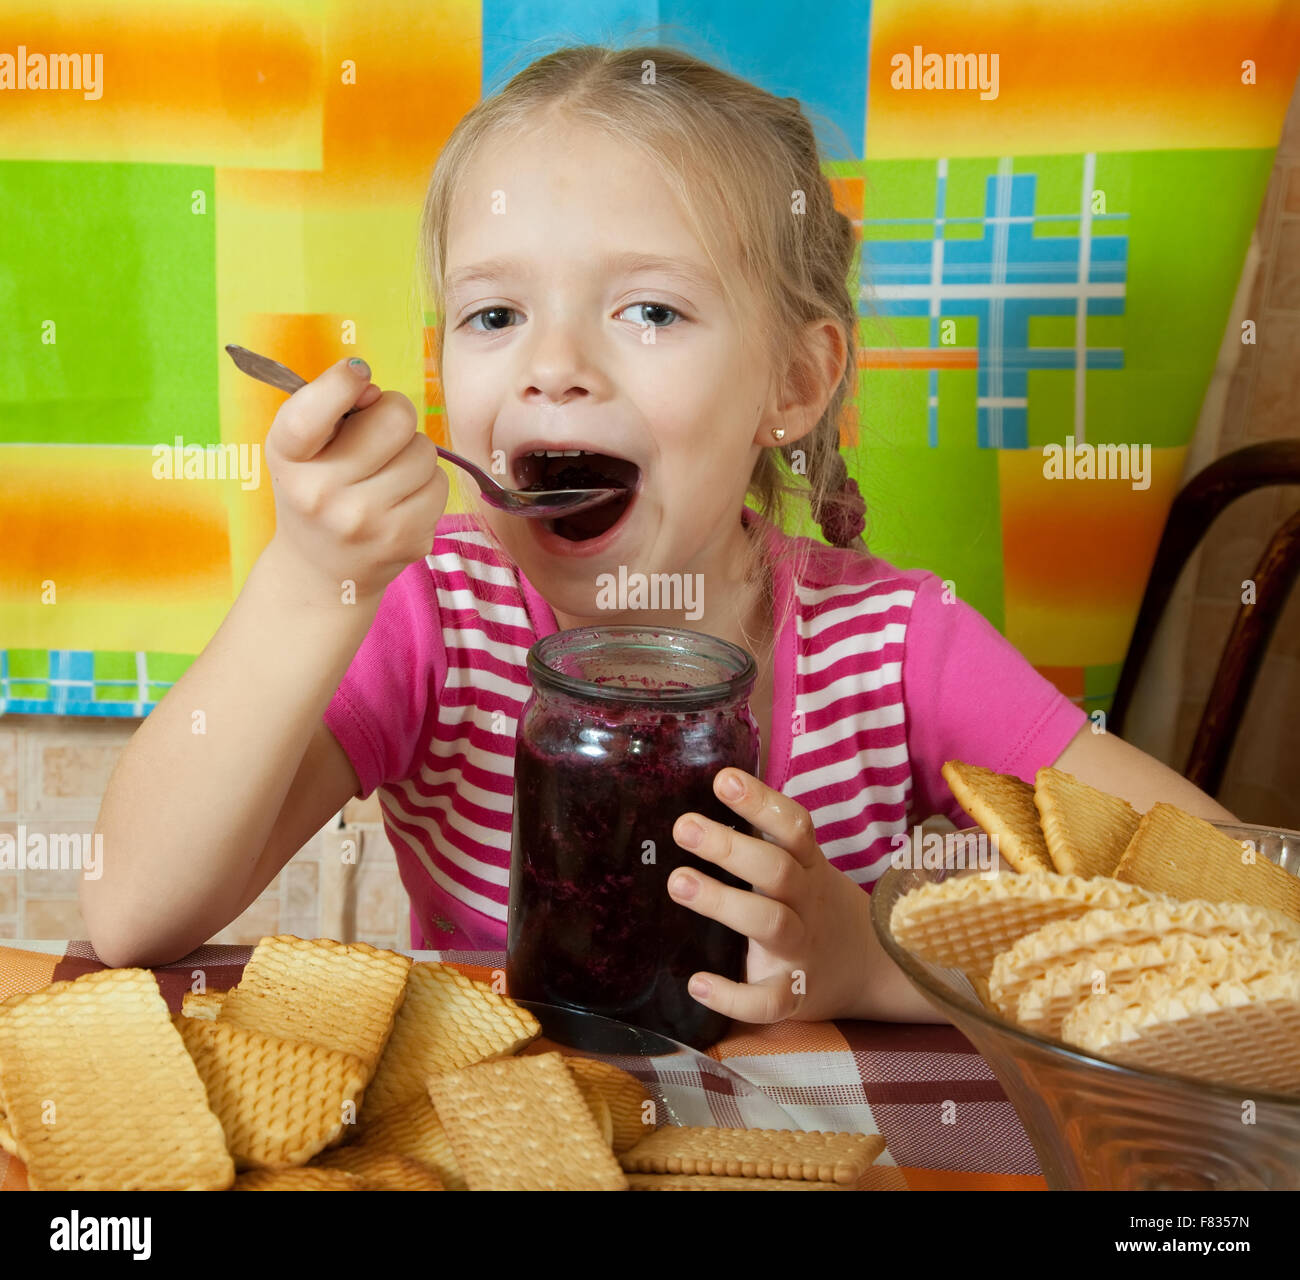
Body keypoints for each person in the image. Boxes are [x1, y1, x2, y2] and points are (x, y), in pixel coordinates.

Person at [86, 45, 1237, 1024]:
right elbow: (133, 912)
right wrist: (306, 581)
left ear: (793, 383)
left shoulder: (895, 645)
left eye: (649, 309)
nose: (553, 366)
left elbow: (1236, 908)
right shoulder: (434, 616)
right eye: (495, 312)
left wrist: (875, 962)